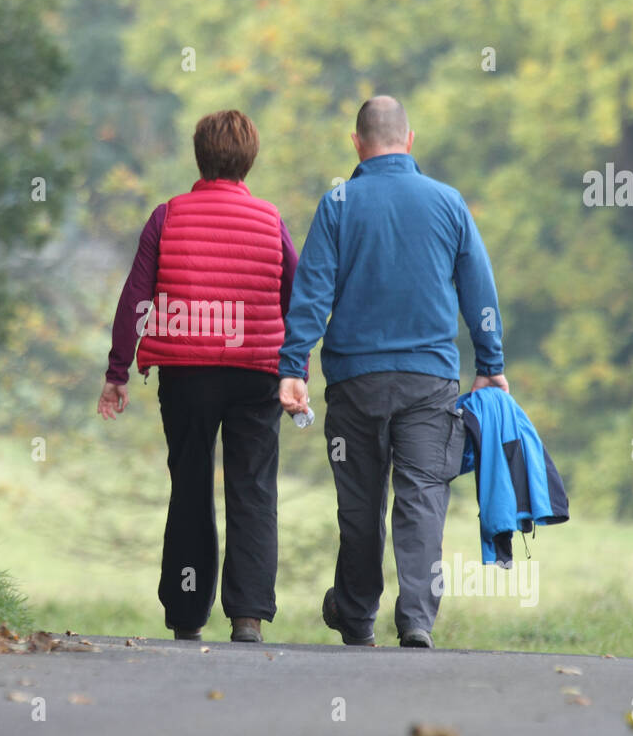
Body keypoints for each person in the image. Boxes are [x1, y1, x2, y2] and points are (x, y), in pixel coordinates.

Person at [277, 96, 508, 648]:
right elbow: (480, 291)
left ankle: (356, 616)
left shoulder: (337, 203)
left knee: (360, 503)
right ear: (410, 139)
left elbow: (312, 291)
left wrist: (293, 365)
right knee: (422, 496)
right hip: (430, 382)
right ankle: (417, 620)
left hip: (356, 381)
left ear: (356, 143)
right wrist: (491, 362)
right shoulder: (449, 202)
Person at [98, 110, 299, 644]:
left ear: (199, 157)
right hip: (255, 372)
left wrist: (118, 370)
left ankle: (187, 614)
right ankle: (248, 616)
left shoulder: (168, 216)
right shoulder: (270, 220)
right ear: (249, 159)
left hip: (186, 373)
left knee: (189, 484)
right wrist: (294, 366)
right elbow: (296, 297)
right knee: (253, 486)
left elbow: (136, 298)